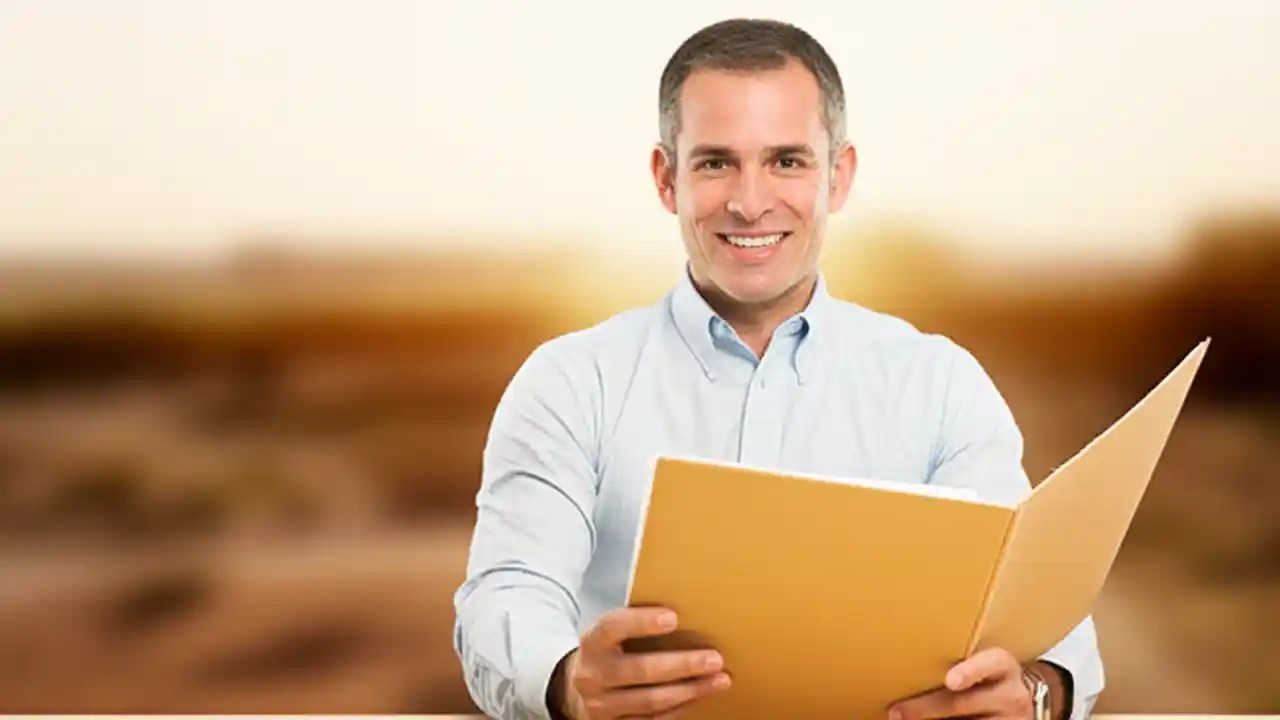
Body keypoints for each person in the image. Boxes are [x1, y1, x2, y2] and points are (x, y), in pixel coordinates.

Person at [453, 17, 1103, 720]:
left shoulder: (940, 386)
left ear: (839, 177)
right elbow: (505, 593)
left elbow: (1050, 627)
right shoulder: (571, 383)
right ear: (666, 178)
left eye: (787, 161)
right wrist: (567, 681)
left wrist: (1036, 697)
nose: (750, 201)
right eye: (715, 162)